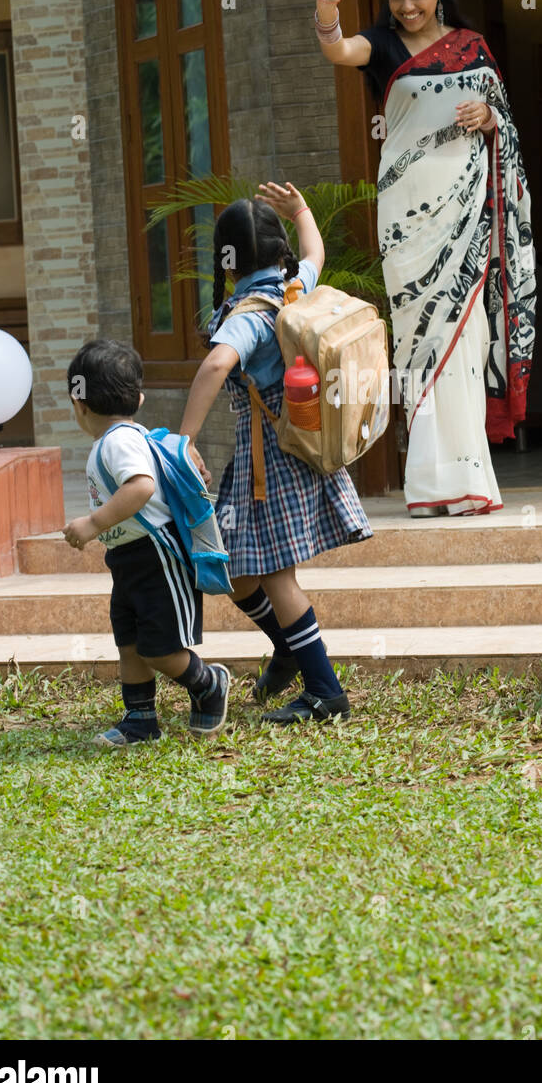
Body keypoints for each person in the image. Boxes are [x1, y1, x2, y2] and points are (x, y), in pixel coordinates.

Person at [314, 0, 537, 516]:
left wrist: (488, 119)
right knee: (419, 342)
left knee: (464, 338)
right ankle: (430, 480)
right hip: (408, 219)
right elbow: (337, 50)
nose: (407, 6)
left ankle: (467, 479)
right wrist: (326, 4)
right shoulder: (383, 45)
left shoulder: (473, 49)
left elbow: (506, 125)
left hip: (465, 217)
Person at [179, 182, 372, 726]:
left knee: (278, 577)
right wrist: (301, 210)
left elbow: (217, 365)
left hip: (272, 457)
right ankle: (290, 648)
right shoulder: (291, 286)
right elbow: (316, 253)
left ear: (226, 260)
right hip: (280, 451)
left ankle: (325, 693)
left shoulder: (250, 312)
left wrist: (184, 440)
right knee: (238, 573)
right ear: (276, 250)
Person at [63, 339, 231, 747]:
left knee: (159, 648)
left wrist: (92, 523)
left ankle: (209, 683)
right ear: (138, 396)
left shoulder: (119, 441)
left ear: (79, 403)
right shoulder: (120, 438)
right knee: (131, 643)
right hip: (128, 557)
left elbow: (140, 487)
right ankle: (140, 721)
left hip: (157, 555)